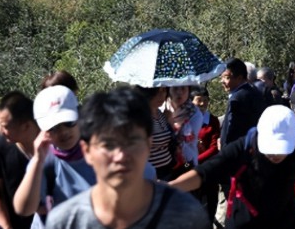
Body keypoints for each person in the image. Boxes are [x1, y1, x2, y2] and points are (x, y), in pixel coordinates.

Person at [46, 86, 210, 229]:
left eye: (131, 142)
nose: (121, 156)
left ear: (148, 144)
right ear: (87, 151)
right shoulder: (65, 222)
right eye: (108, 145)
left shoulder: (186, 214)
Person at [13, 86, 97, 221]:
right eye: (53, 127)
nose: (63, 132)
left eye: (68, 122)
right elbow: (24, 209)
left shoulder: (100, 152)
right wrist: (37, 161)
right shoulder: (45, 161)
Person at [0, 91, 40, 229]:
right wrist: (5, 225)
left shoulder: (52, 145)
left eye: (5, 126)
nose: (0, 131)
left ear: (26, 126)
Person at [219, 58, 266, 151]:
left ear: (239, 78)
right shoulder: (254, 91)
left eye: (227, 77)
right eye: (221, 77)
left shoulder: (237, 99)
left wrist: (224, 150)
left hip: (237, 152)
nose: (222, 81)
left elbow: (231, 130)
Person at [192, 87, 221, 224]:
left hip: (207, 168)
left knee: (208, 204)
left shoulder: (212, 121)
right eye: (199, 100)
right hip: (189, 168)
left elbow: (214, 147)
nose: (202, 104)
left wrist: (195, 160)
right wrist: (187, 164)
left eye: (205, 100)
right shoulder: (185, 120)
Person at [165, 86, 203, 167]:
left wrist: (171, 123)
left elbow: (186, 140)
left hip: (186, 161)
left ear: (189, 91)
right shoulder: (161, 108)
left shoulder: (195, 114)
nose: (179, 92)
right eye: (175, 88)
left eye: (183, 88)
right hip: (163, 162)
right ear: (169, 90)